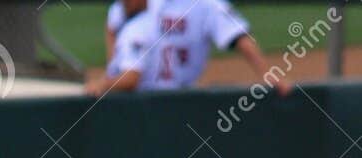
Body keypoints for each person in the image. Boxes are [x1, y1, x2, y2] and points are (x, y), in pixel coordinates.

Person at [88, 0, 289, 95]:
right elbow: (114, 22)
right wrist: (113, 67)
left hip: (177, 99)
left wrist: (268, 74)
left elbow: (240, 38)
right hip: (149, 96)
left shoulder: (207, 6)